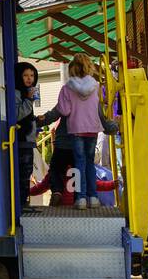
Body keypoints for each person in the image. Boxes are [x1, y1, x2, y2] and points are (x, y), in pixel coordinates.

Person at [43, 55, 115, 209]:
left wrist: (44, 119)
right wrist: (109, 127)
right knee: (90, 164)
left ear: (71, 69)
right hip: (93, 131)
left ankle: (81, 199)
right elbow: (99, 111)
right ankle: (93, 198)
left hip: (76, 130)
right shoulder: (95, 86)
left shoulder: (67, 88)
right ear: (89, 68)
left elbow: (64, 110)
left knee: (79, 164)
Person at [14, 62, 41, 212]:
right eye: (25, 75)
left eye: (32, 75)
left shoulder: (26, 92)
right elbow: (18, 114)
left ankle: (24, 201)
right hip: (21, 140)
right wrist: (29, 100)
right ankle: (21, 204)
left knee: (27, 173)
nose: (29, 78)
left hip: (28, 141)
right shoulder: (18, 93)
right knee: (23, 173)